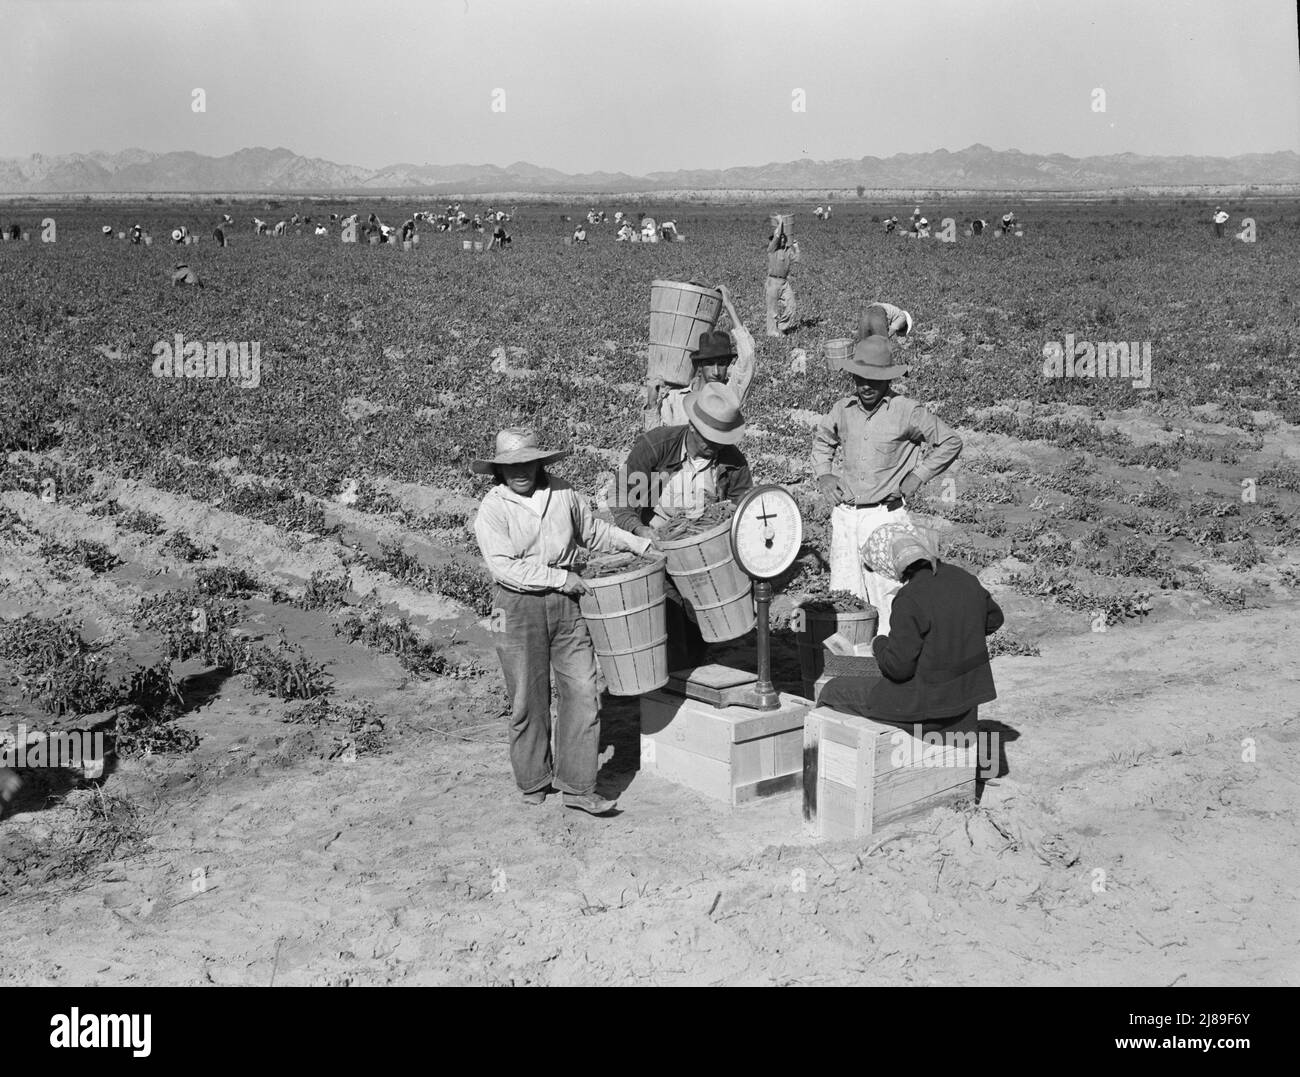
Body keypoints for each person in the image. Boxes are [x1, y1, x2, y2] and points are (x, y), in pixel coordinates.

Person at [472, 428, 656, 814]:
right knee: (527, 697)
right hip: (515, 607)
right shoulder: (493, 507)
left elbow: (592, 532)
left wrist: (639, 543)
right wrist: (558, 578)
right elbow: (504, 567)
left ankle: (577, 785)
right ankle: (533, 779)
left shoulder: (563, 492)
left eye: (527, 463)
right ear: (498, 470)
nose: (520, 472)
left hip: (568, 605)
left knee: (583, 691)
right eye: (511, 466)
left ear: (539, 462)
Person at [810, 337, 962, 633]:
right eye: (861, 378)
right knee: (845, 595)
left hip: (885, 516)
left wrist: (917, 476)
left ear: (889, 379)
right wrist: (824, 474)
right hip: (846, 515)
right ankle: (852, 656)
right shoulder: (842, 409)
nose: (866, 386)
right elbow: (823, 440)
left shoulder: (907, 411)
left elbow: (950, 441)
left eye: (875, 380)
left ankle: (891, 653)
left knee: (888, 595)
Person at [612, 383, 752, 671]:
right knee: (671, 621)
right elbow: (623, 500)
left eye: (720, 440)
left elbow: (742, 513)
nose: (714, 446)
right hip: (658, 548)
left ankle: (691, 670)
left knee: (700, 626)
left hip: (705, 555)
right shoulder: (657, 447)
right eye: (708, 439)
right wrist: (640, 530)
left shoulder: (733, 463)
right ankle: (673, 679)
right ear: (692, 426)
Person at [865, 523, 1003, 753]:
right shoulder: (964, 578)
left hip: (931, 705)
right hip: (967, 694)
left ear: (890, 564)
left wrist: (878, 645)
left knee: (835, 691)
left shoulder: (909, 598)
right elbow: (994, 619)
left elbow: (898, 669)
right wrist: (957, 635)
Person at [645, 285, 757, 430]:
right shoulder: (675, 398)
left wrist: (729, 306)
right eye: (710, 363)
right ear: (700, 366)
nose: (716, 372)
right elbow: (655, 437)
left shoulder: (729, 396)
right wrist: (652, 403)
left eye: (722, 364)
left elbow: (748, 357)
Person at [765, 220, 799, 336]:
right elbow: (777, 235)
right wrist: (780, 222)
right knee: (772, 309)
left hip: (784, 282)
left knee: (792, 305)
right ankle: (771, 332)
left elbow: (796, 259)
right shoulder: (772, 249)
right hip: (773, 282)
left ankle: (781, 326)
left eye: (784, 238)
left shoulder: (788, 251)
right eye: (781, 238)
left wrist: (796, 247)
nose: (782, 240)